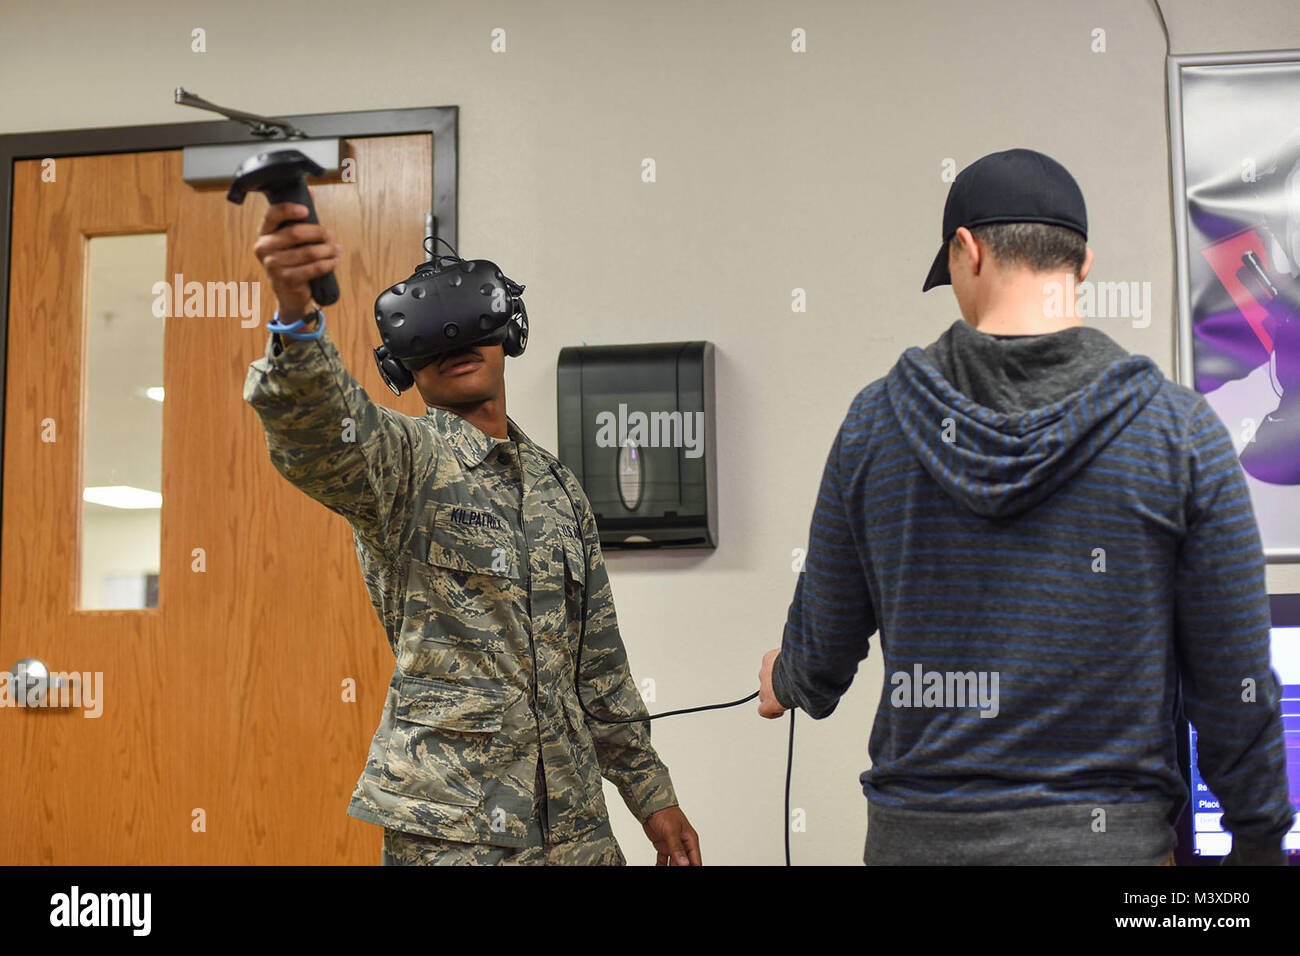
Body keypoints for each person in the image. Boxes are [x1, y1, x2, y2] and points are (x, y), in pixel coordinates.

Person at [756, 148, 1295, 865]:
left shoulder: (874, 427)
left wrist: (784, 677)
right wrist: (1257, 835)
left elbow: (821, 656)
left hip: (919, 846)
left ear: (965, 251)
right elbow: (1233, 679)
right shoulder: (1177, 433)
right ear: (1084, 263)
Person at [243, 200, 700, 865]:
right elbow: (319, 434)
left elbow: (599, 666)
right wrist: (294, 314)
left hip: (575, 833)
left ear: (508, 333)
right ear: (403, 366)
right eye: (430, 337)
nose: (455, 344)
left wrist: (650, 794)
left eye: (471, 324)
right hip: (455, 835)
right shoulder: (407, 462)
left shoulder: (558, 487)